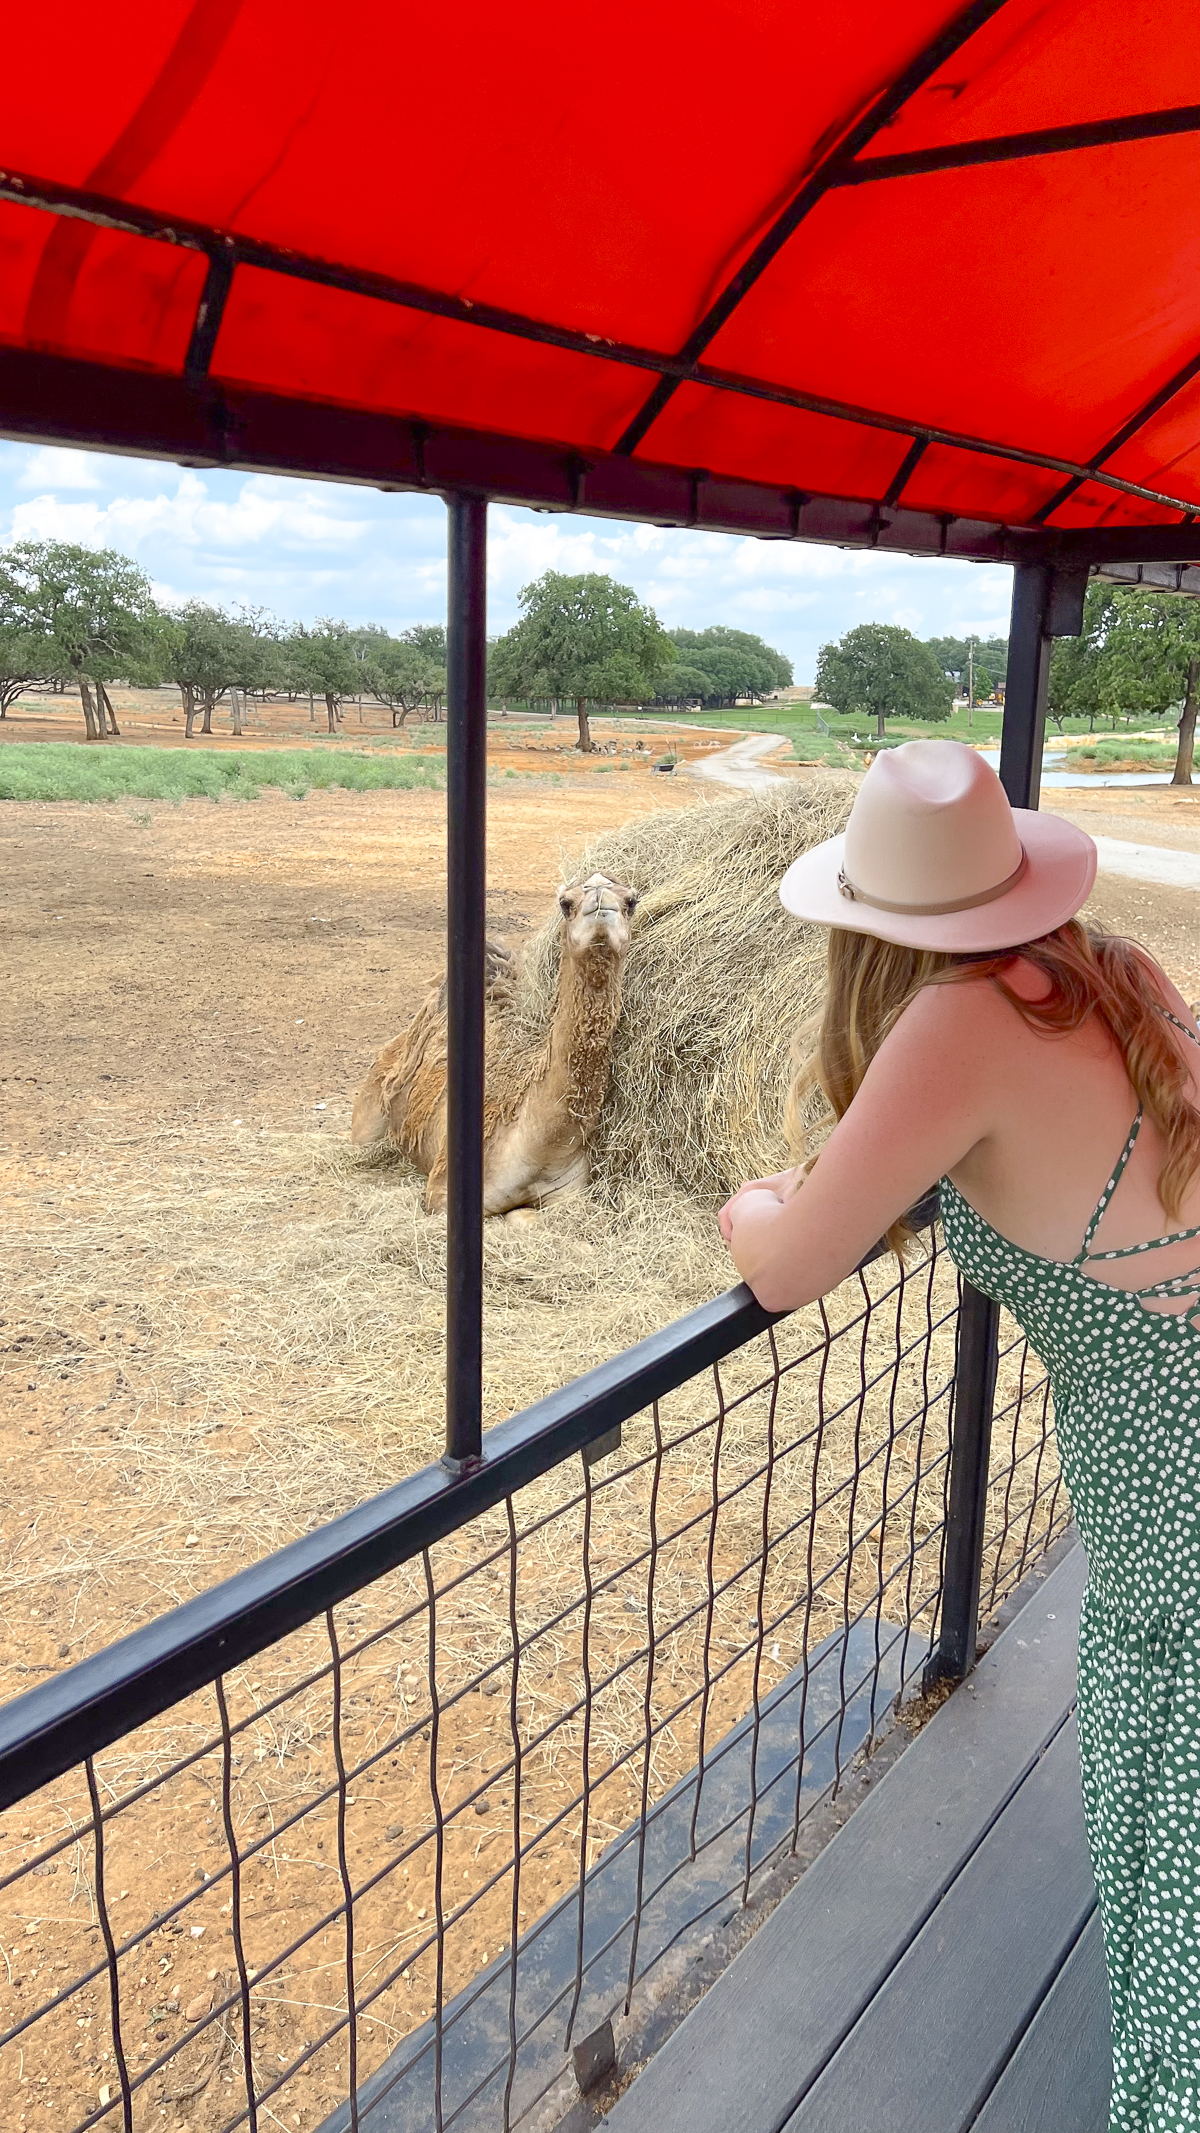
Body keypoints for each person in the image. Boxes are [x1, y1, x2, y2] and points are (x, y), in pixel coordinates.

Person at [720, 739, 1200, 2133]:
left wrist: (758, 1201)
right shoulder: (1111, 971)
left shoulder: (954, 1024)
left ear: (869, 924)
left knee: (1174, 1827)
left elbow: (792, 1257)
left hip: (1173, 1497)